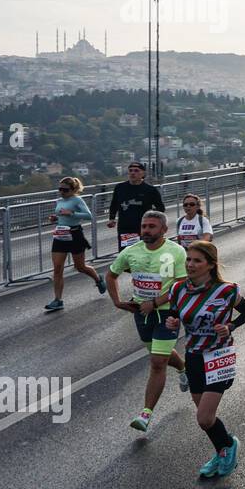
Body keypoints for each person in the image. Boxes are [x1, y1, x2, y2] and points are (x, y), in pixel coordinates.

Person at [158, 240, 245, 478]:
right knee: (206, 418)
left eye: (197, 260)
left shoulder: (226, 290)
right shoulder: (177, 289)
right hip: (193, 357)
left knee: (204, 417)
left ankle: (229, 446)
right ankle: (222, 449)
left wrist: (230, 326)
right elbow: (173, 316)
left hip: (219, 357)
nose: (190, 265)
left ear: (210, 265)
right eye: (188, 259)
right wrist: (171, 322)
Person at [105, 210, 188, 432]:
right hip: (141, 312)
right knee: (158, 355)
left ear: (163, 230)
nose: (146, 231)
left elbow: (182, 283)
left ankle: (146, 413)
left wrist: (157, 300)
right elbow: (111, 274)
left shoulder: (176, 251)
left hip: (167, 311)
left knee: (157, 362)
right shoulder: (131, 251)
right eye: (144, 226)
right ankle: (183, 367)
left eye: (152, 226)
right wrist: (117, 301)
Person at [43, 176, 105, 311]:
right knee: (58, 268)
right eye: (60, 189)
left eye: (65, 190)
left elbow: (89, 215)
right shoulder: (59, 200)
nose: (61, 192)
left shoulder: (77, 199)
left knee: (80, 266)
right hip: (60, 234)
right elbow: (61, 215)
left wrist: (71, 213)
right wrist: (55, 218)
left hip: (75, 234)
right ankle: (58, 300)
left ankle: (98, 279)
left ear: (73, 189)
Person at [106, 161, 165, 252]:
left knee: (143, 253)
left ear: (143, 173)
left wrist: (152, 219)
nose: (133, 173)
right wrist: (112, 218)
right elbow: (114, 204)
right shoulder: (120, 188)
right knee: (126, 254)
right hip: (125, 228)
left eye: (136, 171)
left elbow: (161, 208)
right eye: (130, 170)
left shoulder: (150, 190)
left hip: (144, 228)